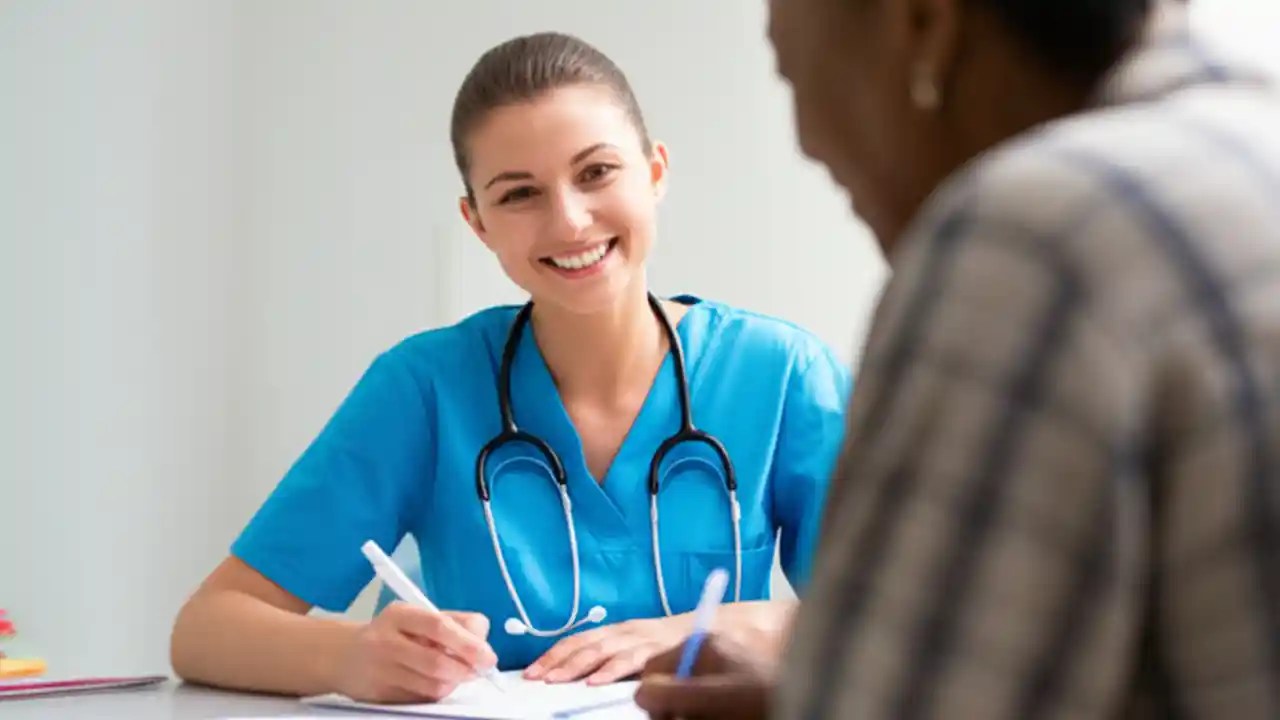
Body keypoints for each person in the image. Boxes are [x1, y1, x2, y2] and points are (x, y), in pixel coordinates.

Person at [636, 0, 1280, 718]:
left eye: (792, 74)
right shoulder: (1251, 151)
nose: (807, 141)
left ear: (923, 25)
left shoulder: (1033, 237)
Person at [169, 31, 851, 704]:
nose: (571, 221)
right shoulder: (426, 387)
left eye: (596, 172)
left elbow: (890, 617)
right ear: (478, 222)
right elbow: (205, 630)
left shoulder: (782, 375)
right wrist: (345, 655)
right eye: (520, 194)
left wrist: (718, 627)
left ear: (654, 172)